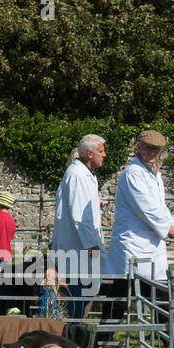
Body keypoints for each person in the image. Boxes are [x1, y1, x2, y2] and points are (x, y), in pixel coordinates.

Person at [104, 130, 174, 280]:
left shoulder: (154, 174)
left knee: (151, 292)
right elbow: (146, 208)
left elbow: (160, 207)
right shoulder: (133, 173)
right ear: (139, 147)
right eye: (148, 147)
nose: (152, 152)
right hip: (133, 244)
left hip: (151, 245)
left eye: (156, 149)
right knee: (130, 293)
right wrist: (168, 228)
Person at [51, 134, 107, 317]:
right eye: (101, 151)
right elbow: (79, 216)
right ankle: (71, 341)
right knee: (76, 301)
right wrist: (93, 246)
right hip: (80, 250)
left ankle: (73, 339)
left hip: (80, 249)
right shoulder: (77, 175)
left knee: (81, 298)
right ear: (89, 154)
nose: (104, 155)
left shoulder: (85, 175)